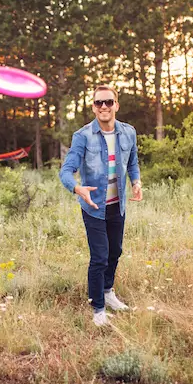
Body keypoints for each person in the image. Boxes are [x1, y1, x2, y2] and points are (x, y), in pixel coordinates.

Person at [59, 85, 142, 327]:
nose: (103, 106)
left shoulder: (129, 133)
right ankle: (98, 310)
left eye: (108, 102)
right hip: (93, 206)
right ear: (93, 108)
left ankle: (107, 292)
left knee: (115, 252)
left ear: (116, 105)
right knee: (100, 257)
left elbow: (133, 161)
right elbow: (66, 170)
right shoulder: (82, 136)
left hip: (118, 205)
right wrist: (77, 188)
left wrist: (136, 182)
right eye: (98, 103)